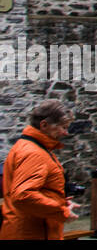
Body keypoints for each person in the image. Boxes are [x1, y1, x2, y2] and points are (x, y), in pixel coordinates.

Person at [1, 100, 79, 240]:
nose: (65, 133)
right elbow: (24, 195)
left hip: (33, 230)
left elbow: (40, 191)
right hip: (31, 233)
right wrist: (61, 211)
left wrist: (61, 202)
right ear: (44, 125)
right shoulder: (34, 153)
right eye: (63, 127)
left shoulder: (35, 148)